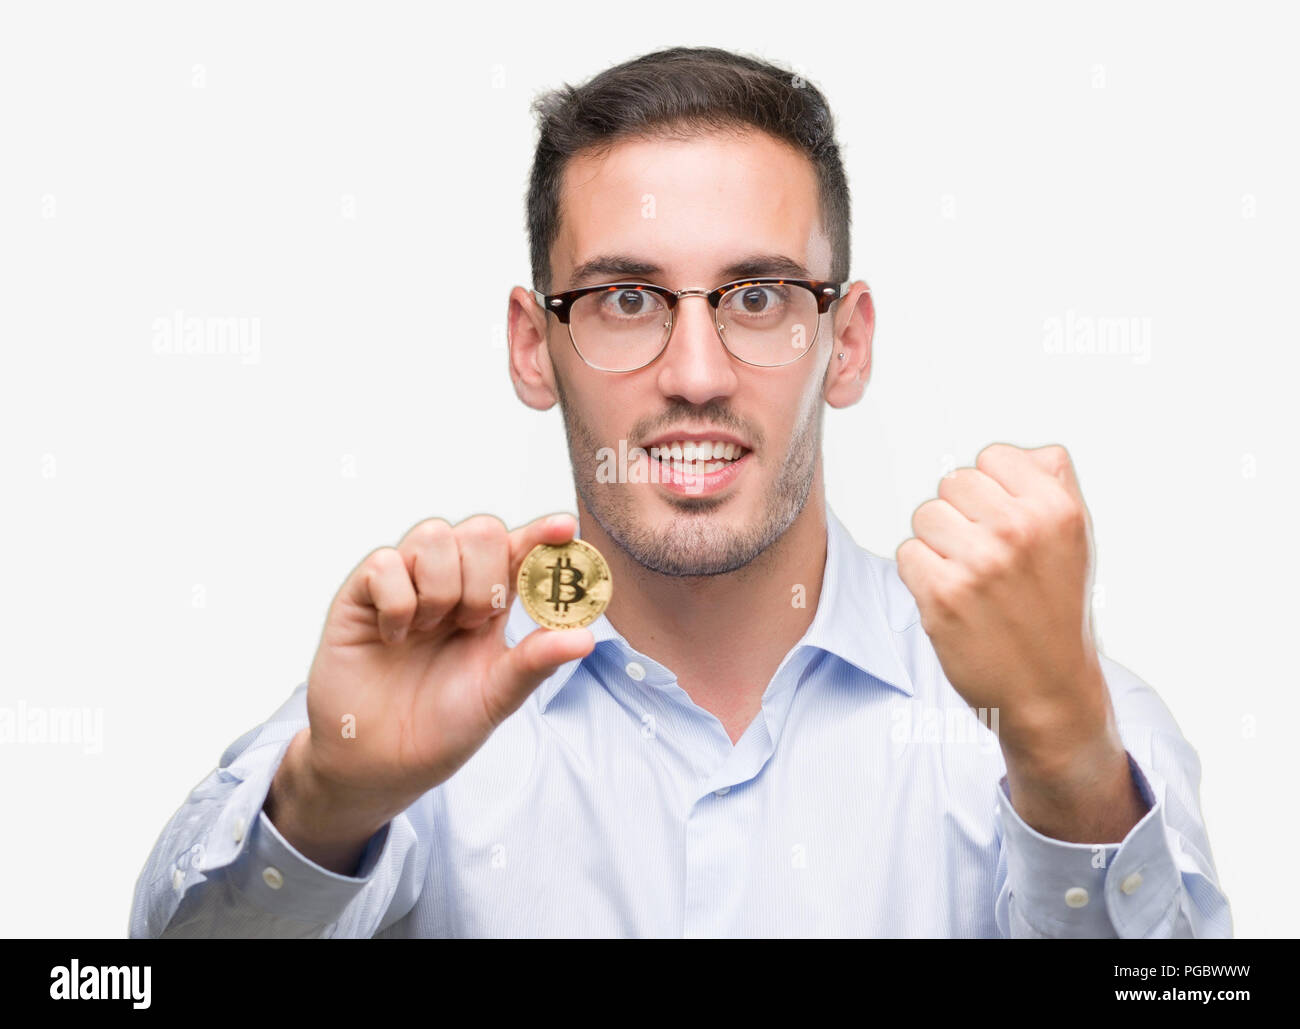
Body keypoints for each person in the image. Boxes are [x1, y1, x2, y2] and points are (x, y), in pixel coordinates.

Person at [129, 46, 1230, 938]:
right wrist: (327, 804)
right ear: (530, 346)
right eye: (623, 300)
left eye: (756, 296)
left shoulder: (1070, 723)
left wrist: (1061, 756)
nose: (696, 373)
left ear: (844, 346)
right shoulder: (408, 710)